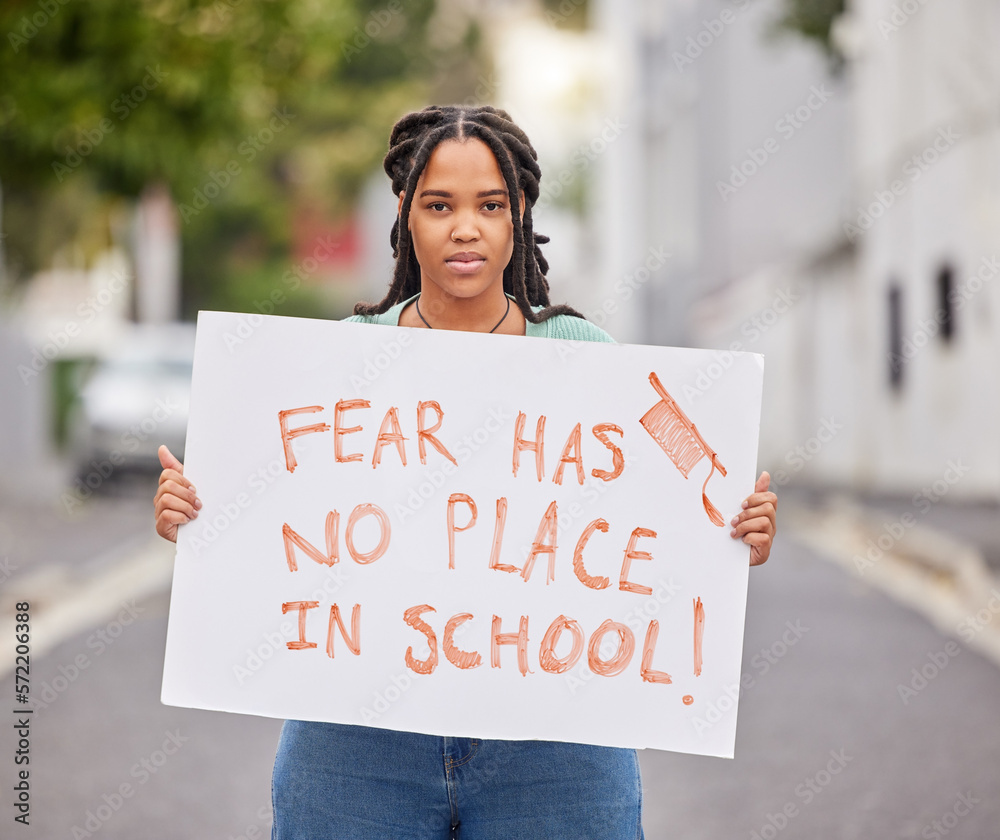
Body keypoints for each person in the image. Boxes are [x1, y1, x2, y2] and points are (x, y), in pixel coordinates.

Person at [154, 104, 778, 840]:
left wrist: (736, 529)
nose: (464, 228)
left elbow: (686, 478)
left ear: (519, 216)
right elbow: (274, 519)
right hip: (358, 739)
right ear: (404, 216)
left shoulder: (591, 356)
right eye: (438, 205)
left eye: (490, 205)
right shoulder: (341, 360)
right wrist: (196, 512)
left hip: (555, 741)